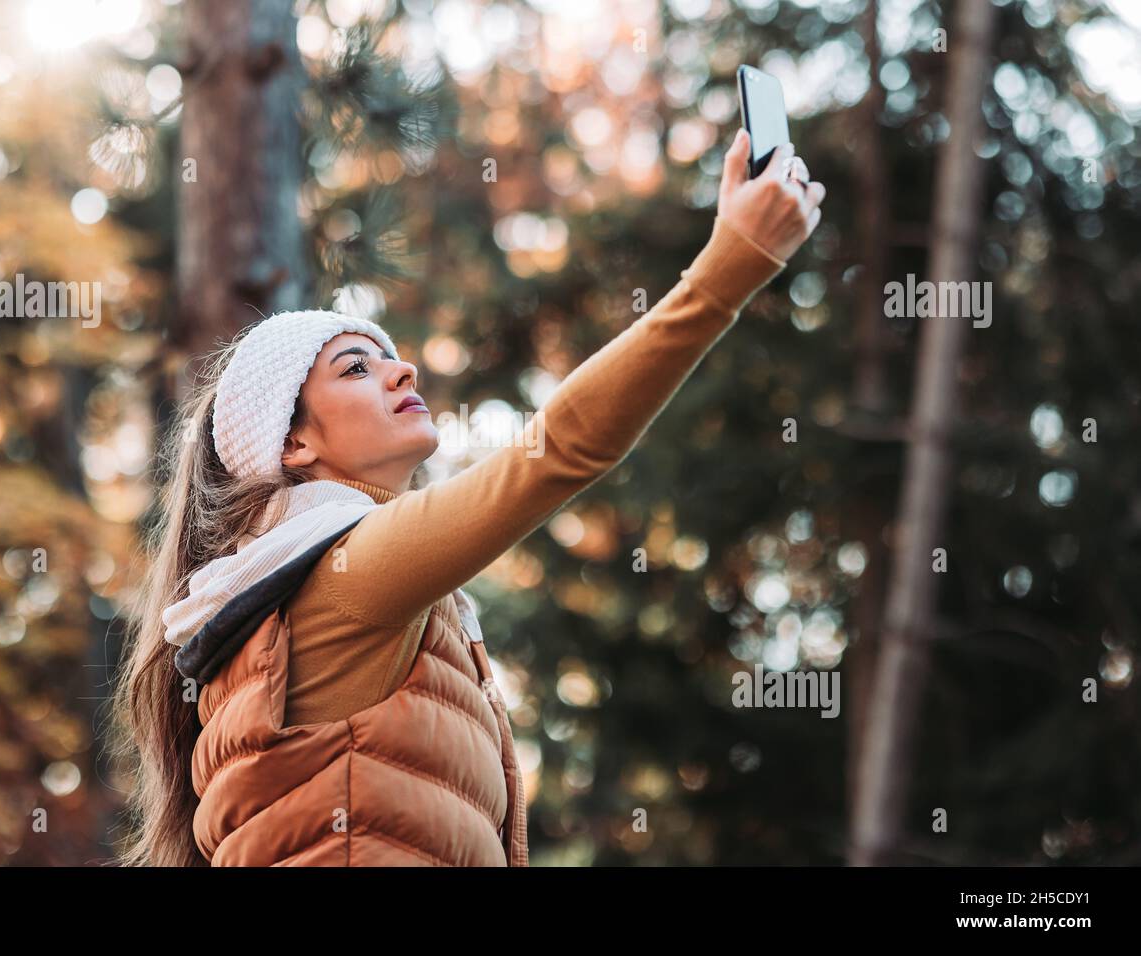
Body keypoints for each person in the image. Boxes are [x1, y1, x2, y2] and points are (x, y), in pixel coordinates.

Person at [112, 130, 825, 866]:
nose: (402, 371)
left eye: (391, 356)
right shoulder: (345, 578)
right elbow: (561, 450)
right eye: (356, 367)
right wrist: (732, 265)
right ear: (292, 446)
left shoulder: (323, 590)